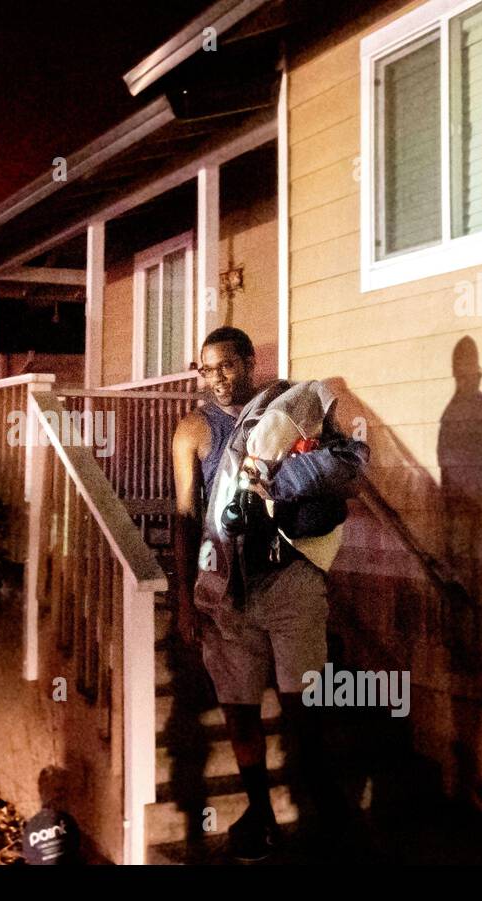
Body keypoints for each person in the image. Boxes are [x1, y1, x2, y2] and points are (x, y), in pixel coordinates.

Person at [171, 327, 369, 862]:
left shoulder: (288, 408)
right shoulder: (193, 429)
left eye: (226, 366)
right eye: (206, 369)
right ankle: (259, 811)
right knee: (238, 711)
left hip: (288, 580)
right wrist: (185, 601)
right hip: (226, 591)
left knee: (303, 703)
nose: (216, 379)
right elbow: (187, 519)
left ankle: (321, 802)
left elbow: (341, 467)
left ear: (249, 362)